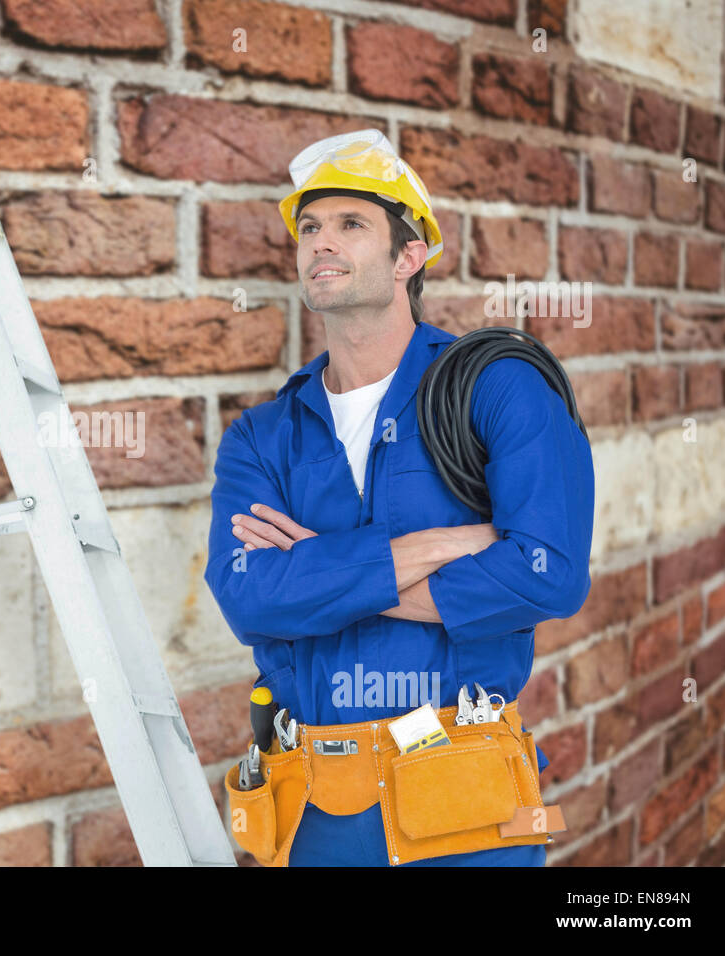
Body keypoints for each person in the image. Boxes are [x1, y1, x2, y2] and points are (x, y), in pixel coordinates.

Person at [203, 129, 595, 866]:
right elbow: (249, 599)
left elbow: (548, 572)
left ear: (408, 256)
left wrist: (317, 570)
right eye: (310, 228)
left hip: (464, 799)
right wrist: (443, 545)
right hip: (317, 804)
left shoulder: (496, 387)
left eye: (352, 225)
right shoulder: (261, 436)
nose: (322, 242)